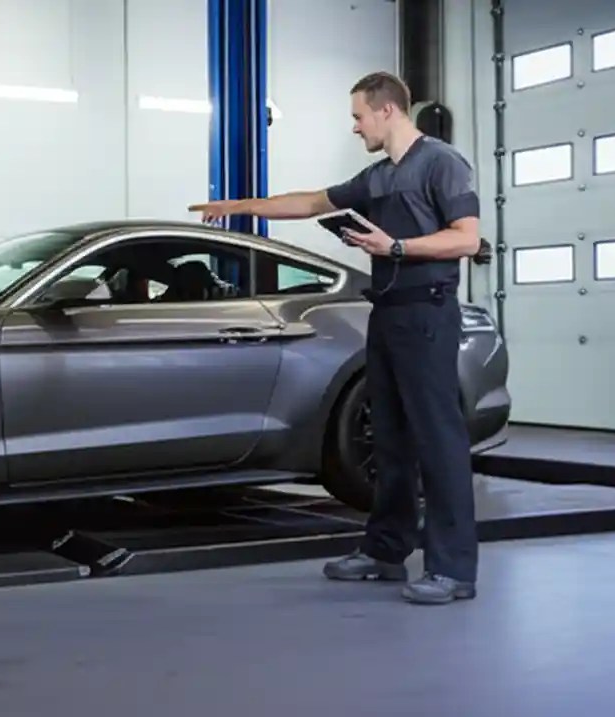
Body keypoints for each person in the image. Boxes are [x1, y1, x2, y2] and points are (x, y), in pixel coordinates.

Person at [188, 71, 483, 605]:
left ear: (387, 111)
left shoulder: (442, 162)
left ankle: (454, 569)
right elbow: (309, 203)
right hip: (388, 314)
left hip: (428, 315)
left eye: (358, 116)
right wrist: (240, 208)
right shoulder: (376, 176)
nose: (354, 127)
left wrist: (396, 247)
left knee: (438, 442)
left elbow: (468, 237)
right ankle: (385, 552)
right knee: (389, 441)